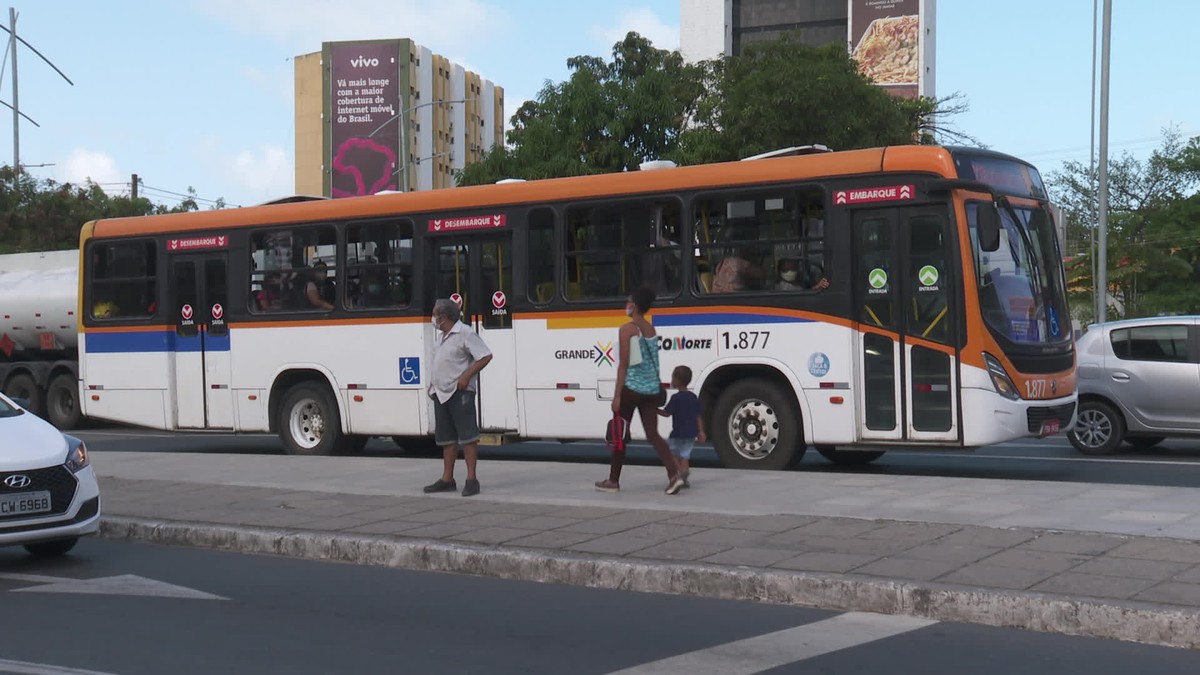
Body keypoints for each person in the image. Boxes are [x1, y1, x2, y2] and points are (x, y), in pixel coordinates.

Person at [595, 286, 686, 496]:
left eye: (628, 301)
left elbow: (624, 365)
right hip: (651, 391)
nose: (626, 304)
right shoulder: (650, 329)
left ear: (634, 306)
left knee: (620, 433)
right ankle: (674, 475)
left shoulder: (627, 329)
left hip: (631, 390)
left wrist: (617, 395)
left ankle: (613, 480)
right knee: (653, 434)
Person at [424, 298, 494, 497]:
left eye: (435, 314)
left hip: (460, 391)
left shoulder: (465, 333)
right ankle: (447, 479)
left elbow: (485, 356)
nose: (433, 318)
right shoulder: (441, 337)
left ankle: (471, 479)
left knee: (468, 437)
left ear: (444, 317)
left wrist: (466, 376)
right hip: (441, 392)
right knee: (447, 439)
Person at [657, 365, 705, 488]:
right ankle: (685, 477)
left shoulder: (675, 398)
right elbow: (697, 416)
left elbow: (667, 413)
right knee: (684, 455)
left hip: (678, 433)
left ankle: (680, 474)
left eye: (673, 377)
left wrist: (654, 410)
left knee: (670, 453)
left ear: (677, 380)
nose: (671, 380)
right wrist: (701, 432)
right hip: (691, 434)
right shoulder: (693, 397)